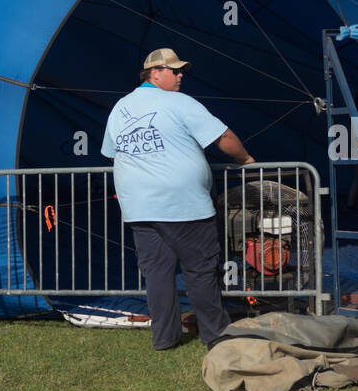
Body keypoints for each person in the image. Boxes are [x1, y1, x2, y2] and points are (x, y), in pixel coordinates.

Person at [101, 48, 254, 352]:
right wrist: (247, 160)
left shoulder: (120, 107)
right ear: (155, 73)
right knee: (200, 271)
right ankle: (216, 336)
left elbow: (111, 153)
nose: (181, 74)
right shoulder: (179, 102)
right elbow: (223, 138)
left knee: (157, 274)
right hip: (184, 206)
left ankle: (165, 338)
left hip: (139, 208)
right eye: (175, 70)